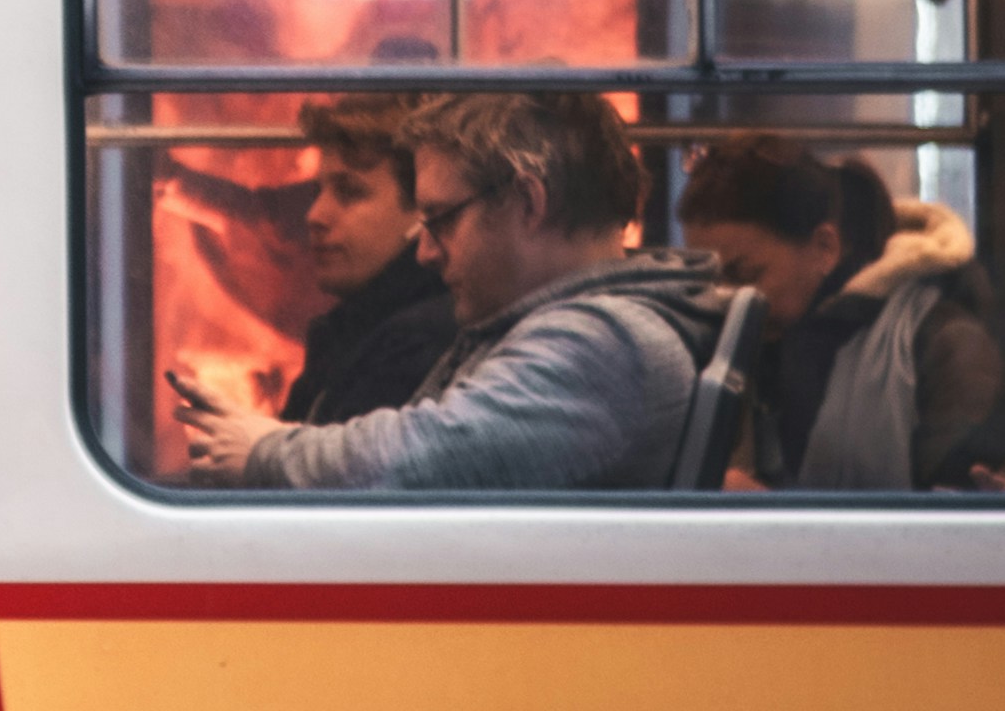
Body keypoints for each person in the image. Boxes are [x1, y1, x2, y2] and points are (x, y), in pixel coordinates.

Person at [177, 85, 716, 495]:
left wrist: (265, 451)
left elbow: (425, 458)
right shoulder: (587, 328)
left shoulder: (607, 343)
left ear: (528, 203)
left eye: (442, 220)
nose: (426, 253)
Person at [675, 132, 1005, 493]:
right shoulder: (744, 346)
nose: (725, 298)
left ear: (824, 247)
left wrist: (771, 513)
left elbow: (963, 528)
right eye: (711, 281)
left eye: (746, 275)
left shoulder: (940, 344)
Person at [275, 96, 451, 426]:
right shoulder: (354, 328)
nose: (315, 215)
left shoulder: (419, 341)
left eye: (350, 192)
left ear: (425, 208)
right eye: (318, 192)